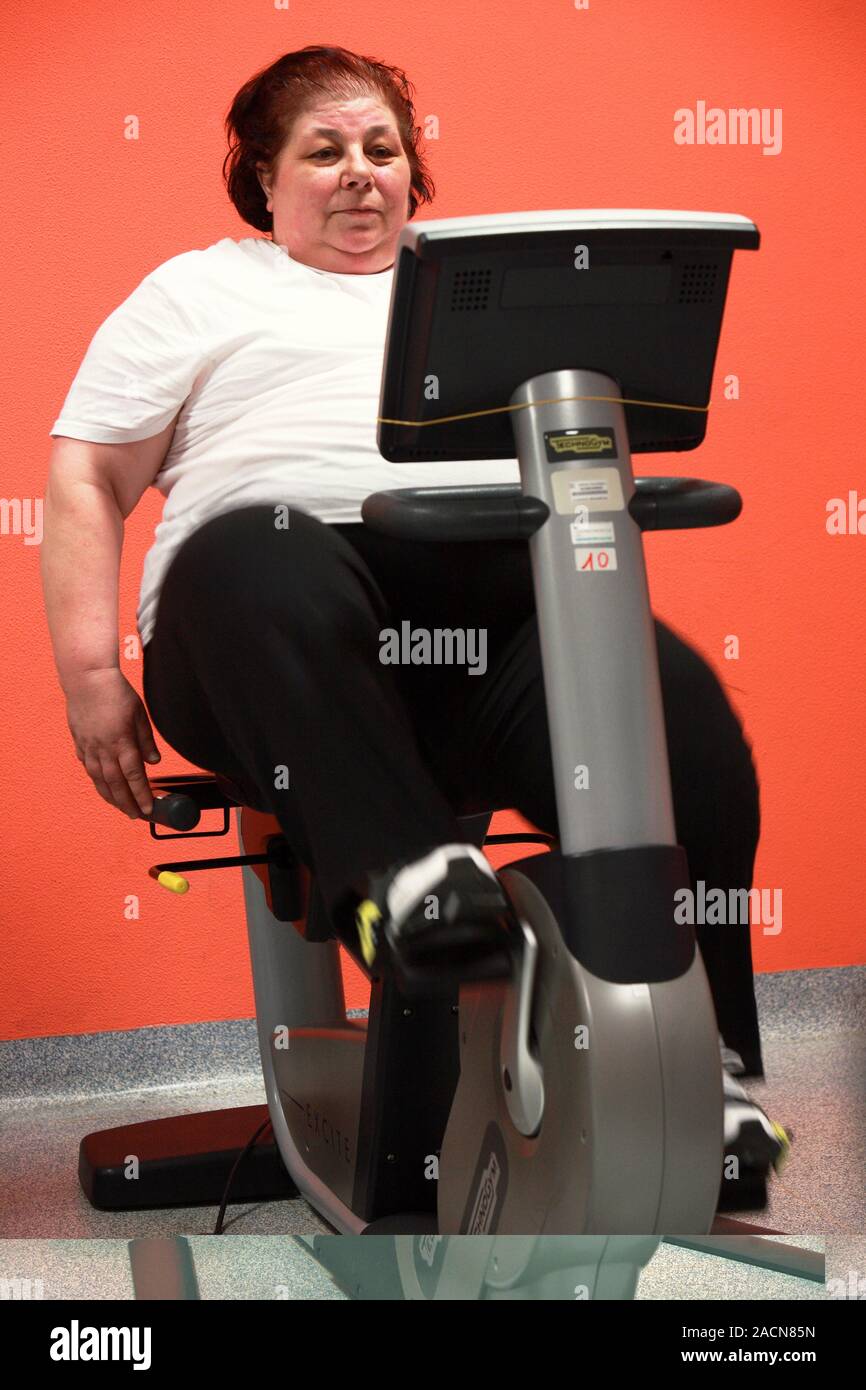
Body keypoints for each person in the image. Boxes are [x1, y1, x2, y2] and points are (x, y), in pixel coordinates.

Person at [41, 44, 786, 1183]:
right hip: (265, 621)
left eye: (381, 149)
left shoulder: (471, 287)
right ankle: (410, 884)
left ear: (411, 172)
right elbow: (88, 473)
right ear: (263, 179)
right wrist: (92, 676)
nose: (358, 173)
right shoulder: (201, 290)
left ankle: (708, 1070)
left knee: (675, 709)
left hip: (485, 616)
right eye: (324, 150)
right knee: (257, 541)